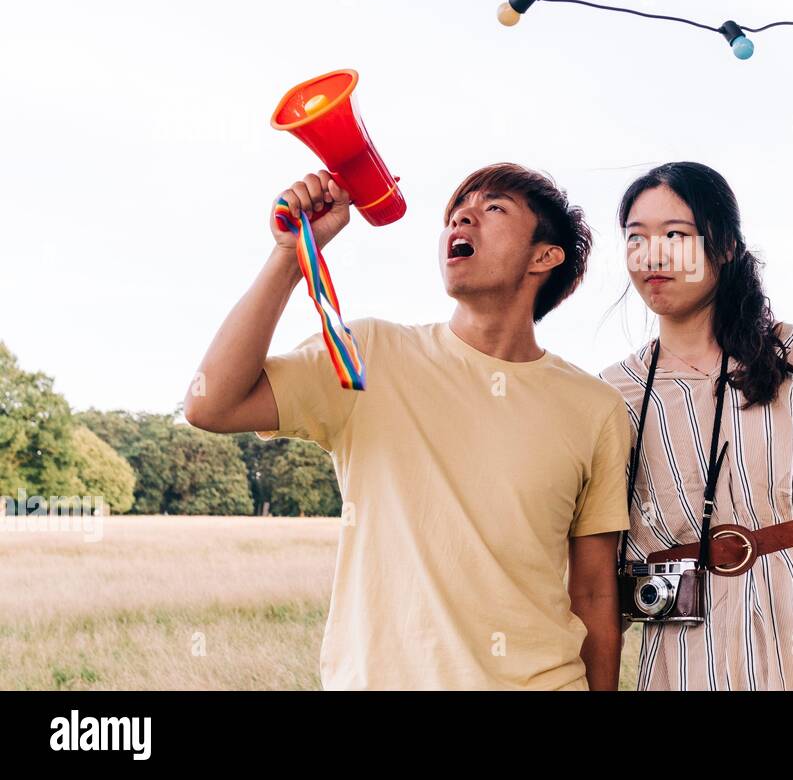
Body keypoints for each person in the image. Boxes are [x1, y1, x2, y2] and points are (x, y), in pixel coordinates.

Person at [183, 163, 630, 690]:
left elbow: (597, 593)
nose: (462, 217)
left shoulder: (595, 408)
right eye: (456, 212)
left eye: (493, 208)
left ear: (544, 256)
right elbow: (212, 405)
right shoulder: (369, 355)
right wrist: (291, 255)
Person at [599, 161, 793, 690]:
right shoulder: (614, 393)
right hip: (689, 645)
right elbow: (595, 563)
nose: (652, 255)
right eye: (636, 237)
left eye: (675, 235)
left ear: (723, 246)